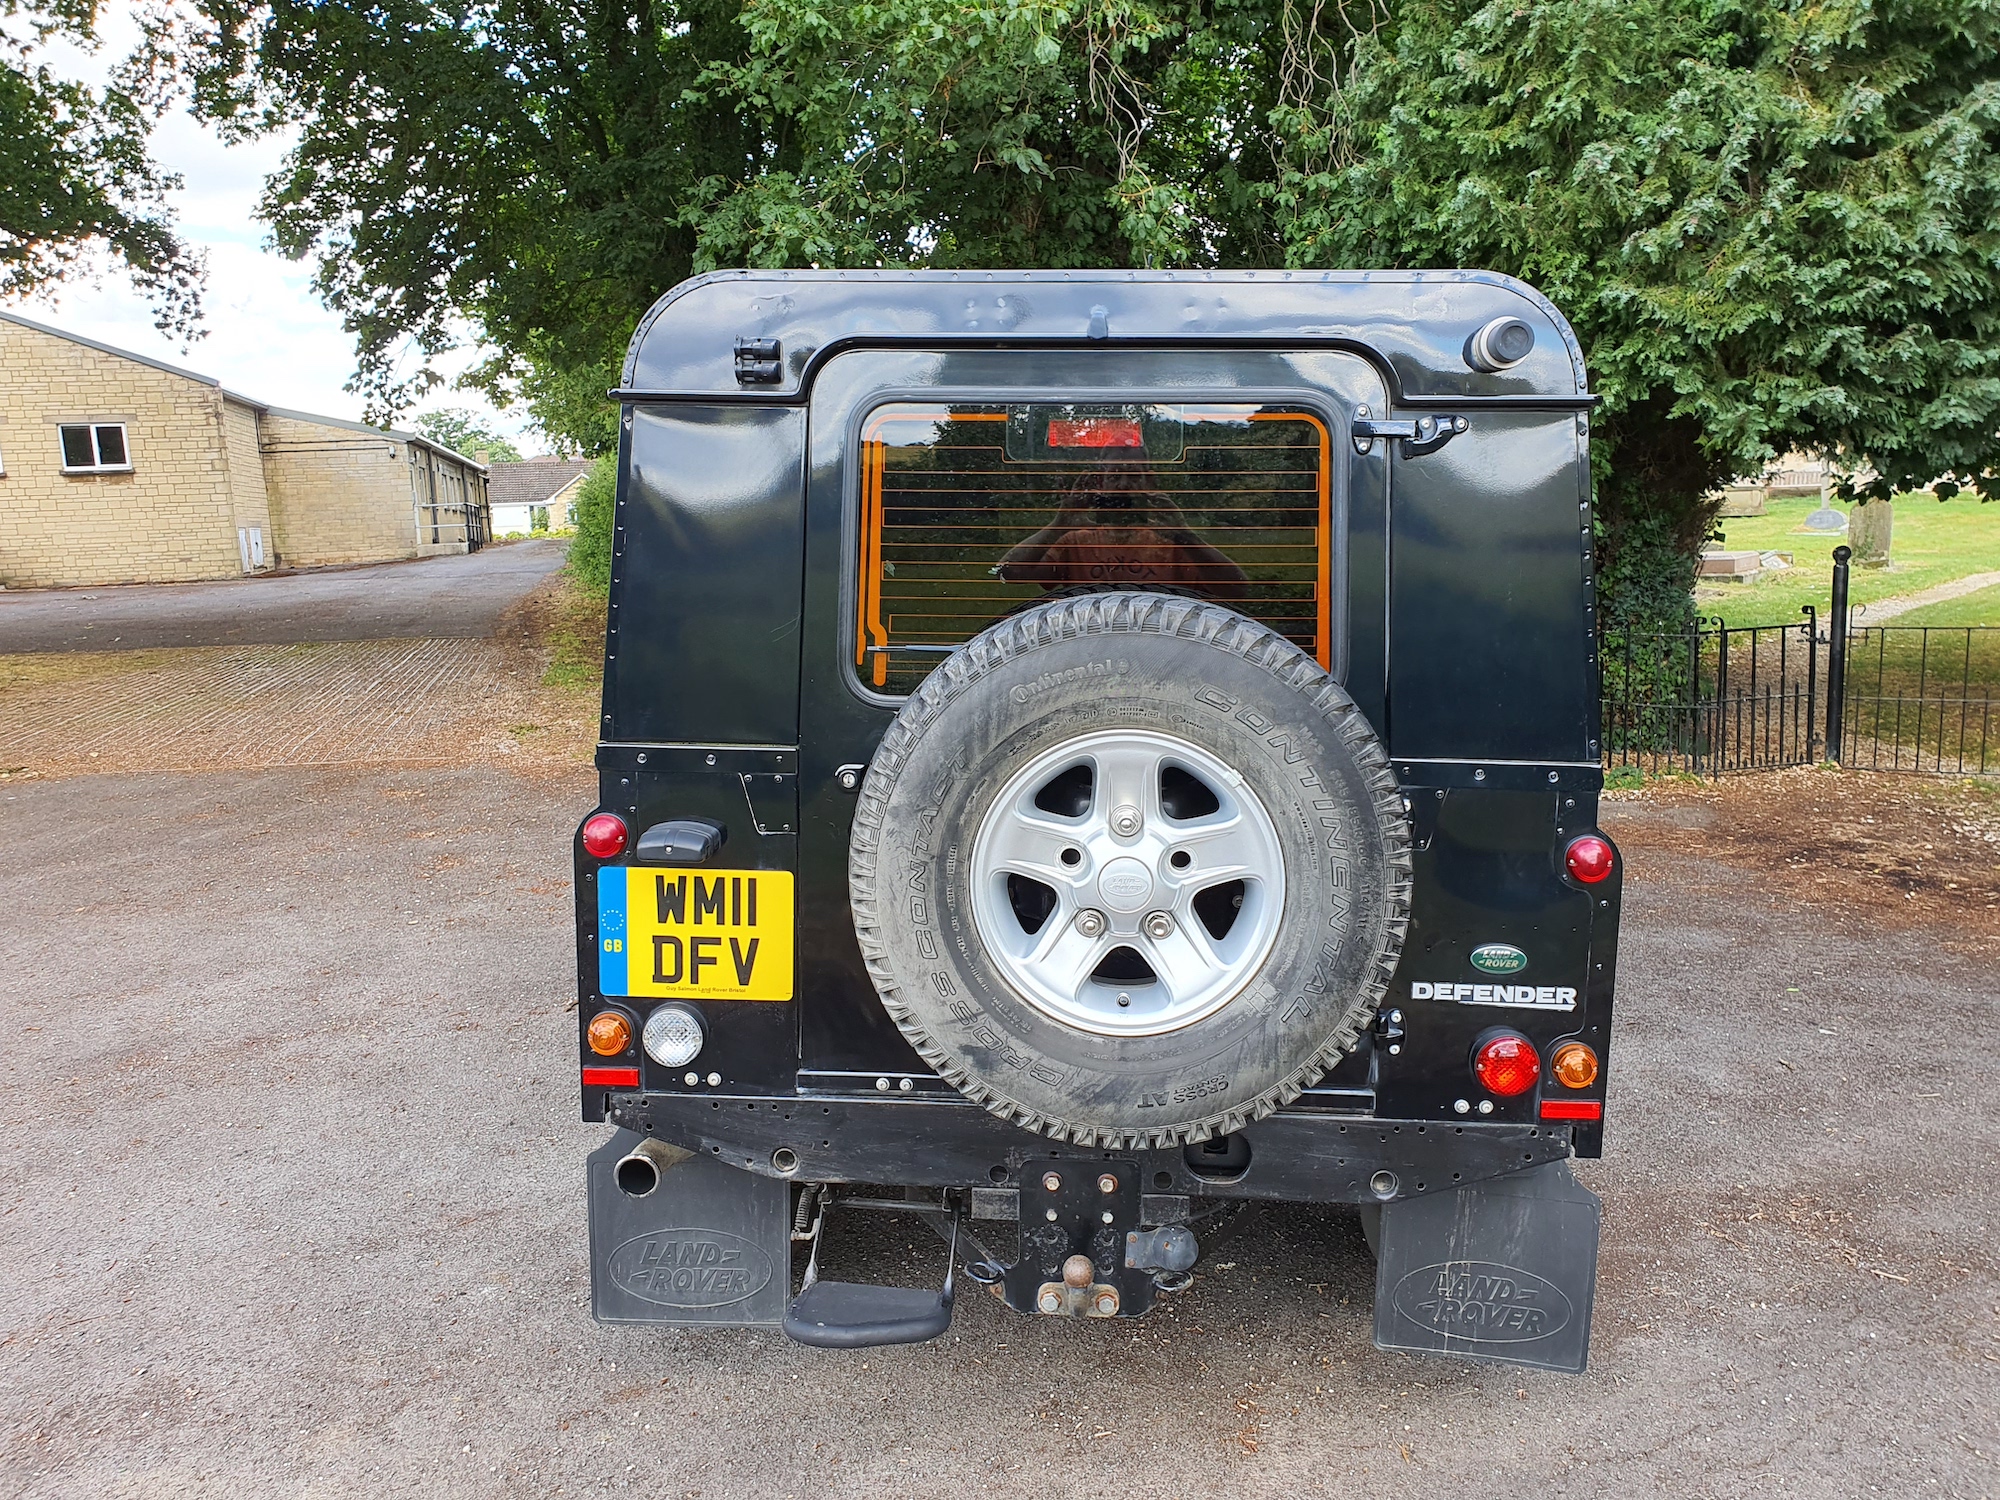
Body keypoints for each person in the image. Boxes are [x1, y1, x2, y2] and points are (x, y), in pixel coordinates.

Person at [995, 469, 1249, 597]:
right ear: (1100, 486)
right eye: (1116, 476)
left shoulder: (1172, 541)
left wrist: (1185, 535)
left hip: (1163, 656)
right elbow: (1006, 573)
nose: (1124, 486)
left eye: (1133, 477)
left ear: (1148, 485)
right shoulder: (1076, 539)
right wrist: (1059, 524)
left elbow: (1237, 589)